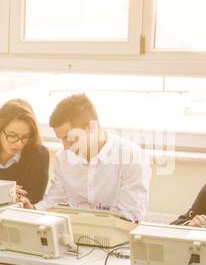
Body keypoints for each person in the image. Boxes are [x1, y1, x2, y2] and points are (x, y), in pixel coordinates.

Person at [28, 94, 150, 222]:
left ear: (92, 127)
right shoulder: (62, 159)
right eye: (61, 139)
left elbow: (130, 216)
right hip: (76, 232)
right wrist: (33, 209)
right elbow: (55, 200)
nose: (65, 147)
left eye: (70, 138)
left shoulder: (132, 157)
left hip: (118, 237)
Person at [0, 98, 50, 206]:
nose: (19, 144)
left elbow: (35, 197)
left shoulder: (38, 154)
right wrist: (5, 192)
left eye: (25, 137)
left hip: (17, 217)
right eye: (12, 135)